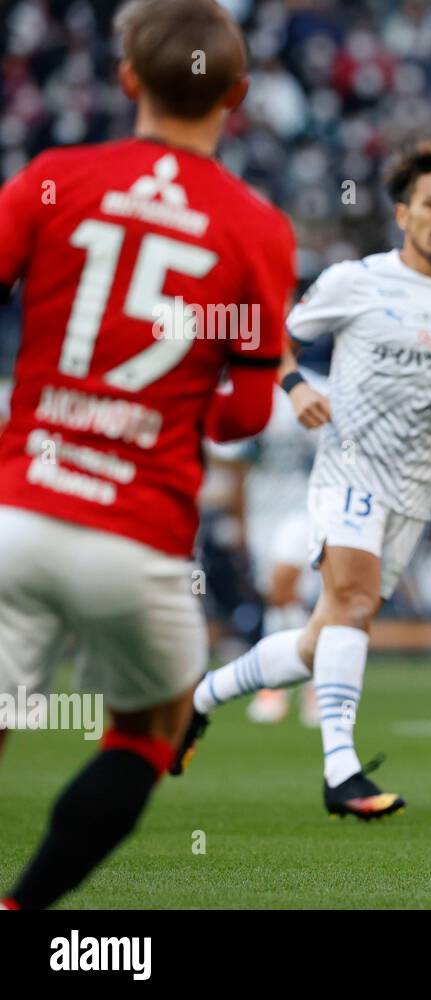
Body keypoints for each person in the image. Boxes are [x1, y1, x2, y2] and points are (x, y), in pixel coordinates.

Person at [0, 0, 295, 908]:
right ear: (238, 95)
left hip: (21, 503)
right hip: (137, 534)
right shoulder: (257, 228)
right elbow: (244, 415)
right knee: (151, 728)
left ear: (127, 77)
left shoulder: (53, 178)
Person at [176, 141, 431, 820]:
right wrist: (294, 386)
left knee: (321, 637)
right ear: (403, 212)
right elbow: (275, 335)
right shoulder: (356, 281)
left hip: (414, 491)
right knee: (352, 604)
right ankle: (340, 770)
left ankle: (197, 701)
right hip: (348, 470)